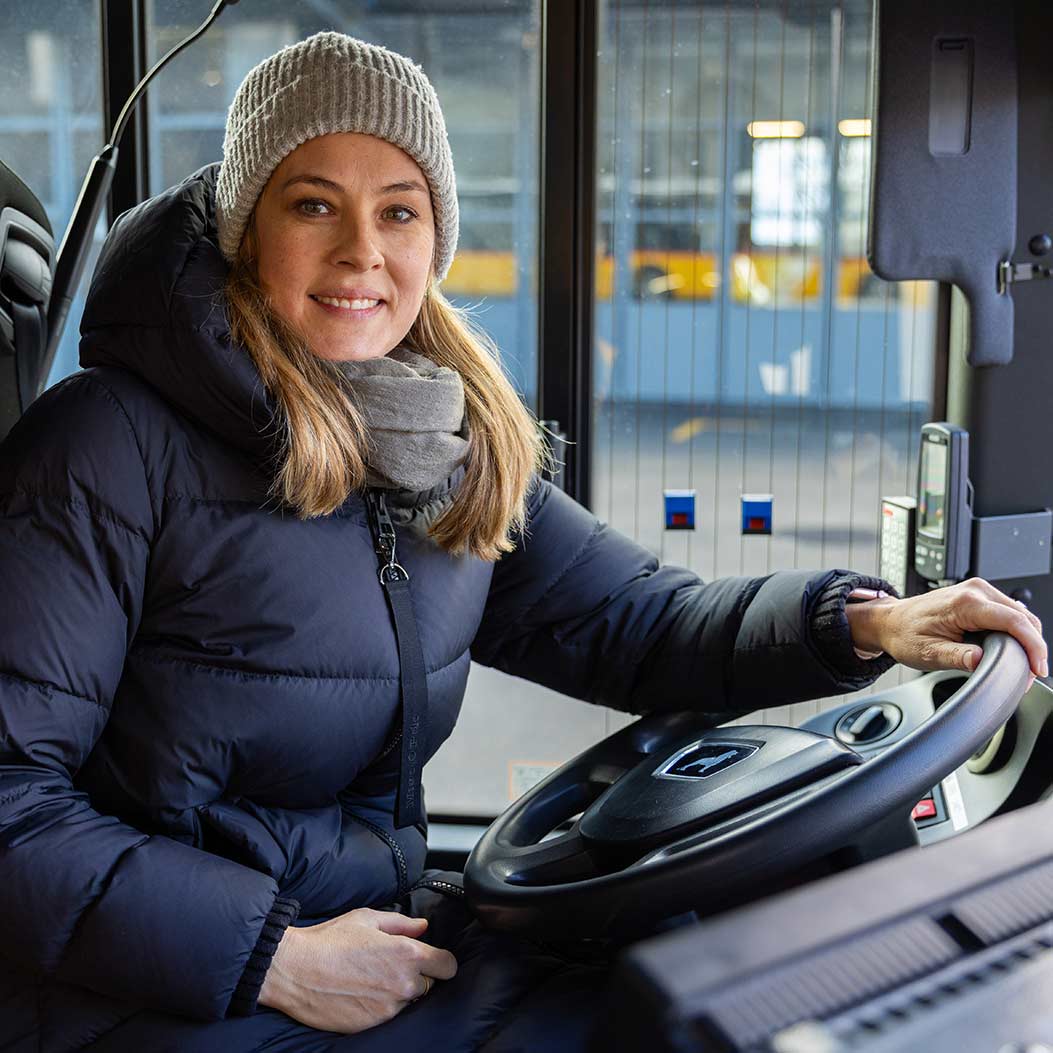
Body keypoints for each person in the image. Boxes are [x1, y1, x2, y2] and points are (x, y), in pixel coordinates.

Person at [0, 30, 1045, 1053]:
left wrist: (864, 621)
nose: (363, 250)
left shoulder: (435, 445)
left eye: (398, 211)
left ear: (434, 240)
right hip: (151, 997)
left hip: (368, 934)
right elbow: (11, 801)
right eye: (313, 204)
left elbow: (636, 622)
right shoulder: (104, 444)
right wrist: (273, 957)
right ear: (245, 232)